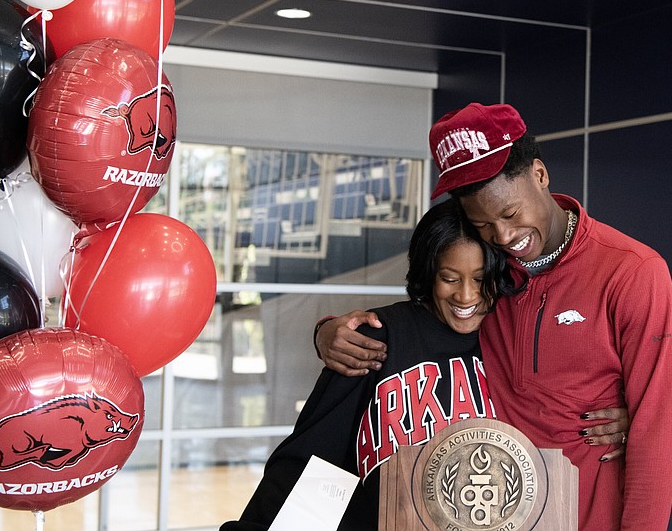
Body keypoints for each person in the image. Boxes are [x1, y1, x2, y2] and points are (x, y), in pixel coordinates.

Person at [315, 103, 672, 530]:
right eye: (483, 224)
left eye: (510, 214)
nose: (505, 236)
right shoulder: (490, 273)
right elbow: (430, 314)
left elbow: (657, 429)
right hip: (492, 510)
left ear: (540, 175)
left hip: (589, 516)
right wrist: (327, 332)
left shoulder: (632, 271)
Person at [221, 199, 629, 531]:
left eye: (480, 277)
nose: (466, 295)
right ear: (428, 274)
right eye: (450, 277)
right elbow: (318, 462)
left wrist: (622, 417)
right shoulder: (380, 337)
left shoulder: (520, 340)